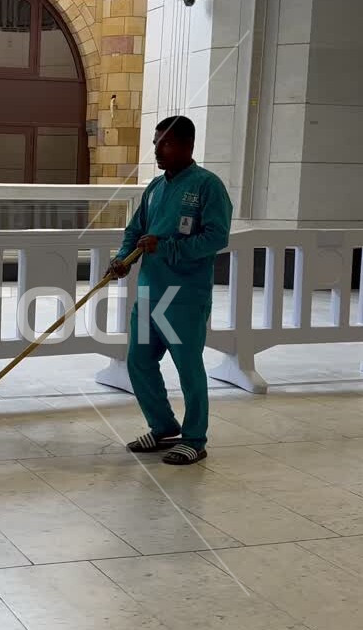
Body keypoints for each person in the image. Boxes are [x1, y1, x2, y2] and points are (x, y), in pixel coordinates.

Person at [104, 115, 232, 466]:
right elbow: (135, 231)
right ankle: (163, 428)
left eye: (165, 143)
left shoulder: (207, 186)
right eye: (155, 142)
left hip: (184, 295)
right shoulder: (155, 188)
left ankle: (195, 438)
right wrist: (122, 259)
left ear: (188, 146)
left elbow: (216, 237)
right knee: (139, 361)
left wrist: (168, 247)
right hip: (149, 293)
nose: (157, 150)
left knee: (187, 366)